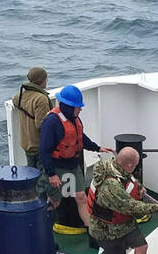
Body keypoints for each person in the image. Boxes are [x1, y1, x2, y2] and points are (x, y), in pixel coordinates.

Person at [86, 148, 158, 254]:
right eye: (135, 165)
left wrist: (140, 187)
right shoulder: (111, 187)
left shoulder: (114, 166)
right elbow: (131, 206)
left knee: (142, 246)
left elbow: (128, 179)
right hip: (106, 228)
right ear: (130, 165)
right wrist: (157, 207)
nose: (135, 167)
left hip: (124, 222)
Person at [38, 84, 111, 227]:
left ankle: (92, 232)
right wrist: (51, 174)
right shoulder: (52, 122)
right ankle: (43, 230)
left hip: (72, 165)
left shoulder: (74, 118)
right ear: (68, 107)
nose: (81, 109)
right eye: (78, 107)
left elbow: (80, 138)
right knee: (54, 201)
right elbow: (44, 150)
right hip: (56, 167)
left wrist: (97, 148)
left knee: (81, 197)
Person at [13, 67, 54, 168]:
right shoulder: (41, 99)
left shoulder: (19, 96)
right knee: (42, 178)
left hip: (26, 143)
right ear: (42, 80)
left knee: (31, 174)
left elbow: (15, 102)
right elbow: (41, 125)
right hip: (39, 145)